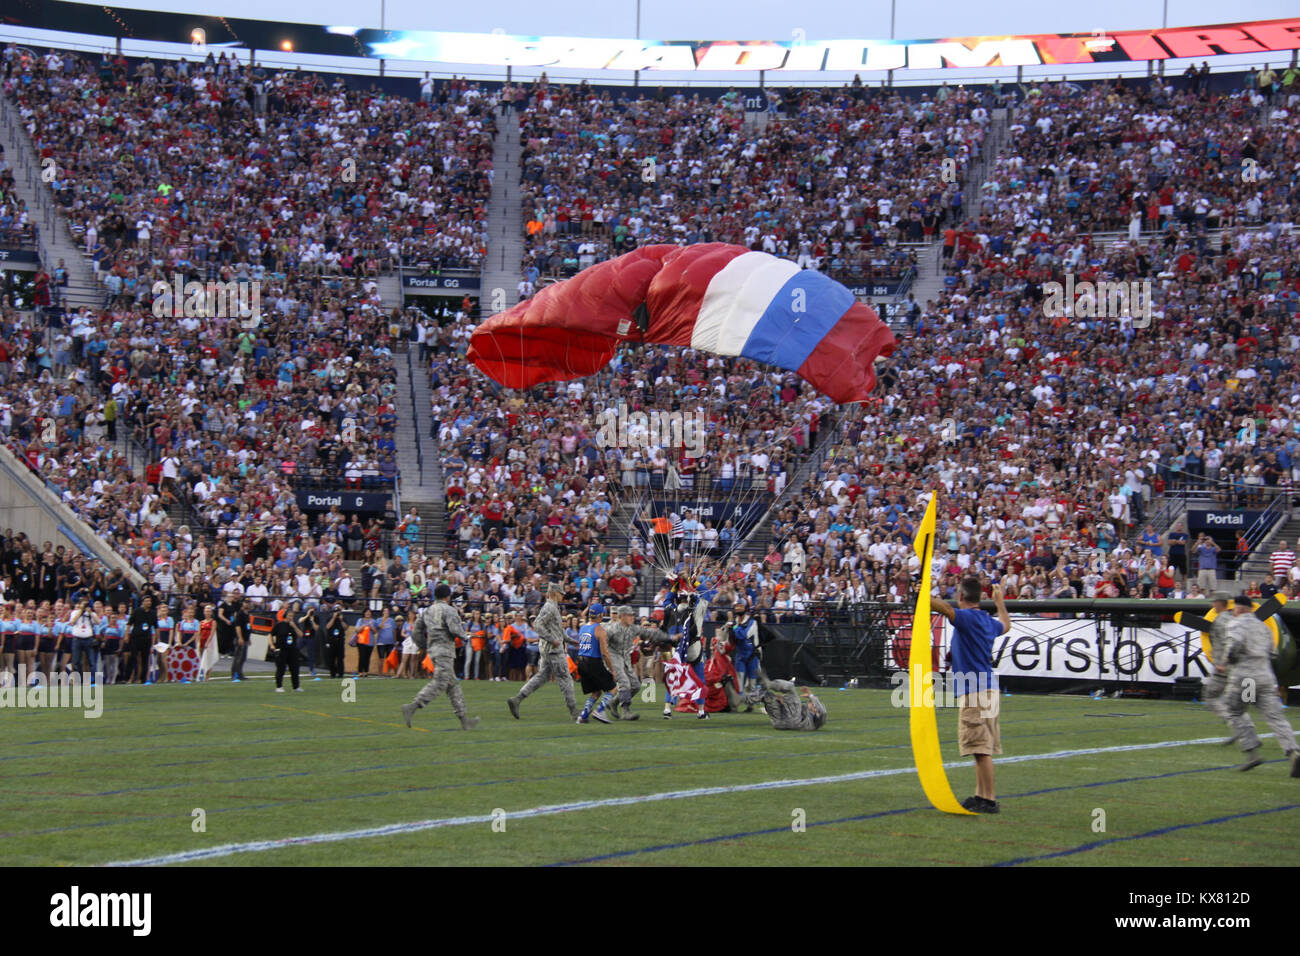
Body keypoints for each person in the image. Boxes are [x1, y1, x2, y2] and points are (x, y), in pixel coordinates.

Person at [931, 578, 1010, 814]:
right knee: (980, 749)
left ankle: (989, 800)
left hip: (975, 691)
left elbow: (944, 608)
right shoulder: (987, 620)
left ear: (962, 597)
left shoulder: (967, 618)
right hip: (988, 688)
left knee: (981, 749)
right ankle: (981, 795)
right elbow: (1006, 624)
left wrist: (923, 594)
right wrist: (1000, 602)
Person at [1222, 594, 1300, 774]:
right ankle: (1293, 752)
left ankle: (1252, 752)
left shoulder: (1236, 623)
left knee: (1235, 710)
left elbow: (1233, 646)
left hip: (1247, 678)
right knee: (1275, 717)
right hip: (1266, 677)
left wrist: (1228, 659)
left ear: (1239, 609)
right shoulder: (1263, 627)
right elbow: (1273, 654)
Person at [401, 584, 479, 730]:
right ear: (448, 596)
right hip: (445, 651)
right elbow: (455, 629)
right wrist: (466, 636)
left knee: (453, 685)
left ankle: (464, 719)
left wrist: (424, 645)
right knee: (440, 683)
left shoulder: (427, 611)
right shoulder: (449, 610)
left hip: (433, 650)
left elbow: (416, 631)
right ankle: (412, 706)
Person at [508, 585, 578, 719]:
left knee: (542, 677)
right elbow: (538, 624)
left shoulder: (553, 607)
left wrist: (570, 641)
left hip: (548, 650)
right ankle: (575, 712)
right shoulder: (550, 607)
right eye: (560, 593)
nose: (562, 596)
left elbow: (558, 630)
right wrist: (552, 639)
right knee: (565, 679)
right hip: (553, 651)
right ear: (554, 593)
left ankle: (517, 699)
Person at [602, 605, 664, 719]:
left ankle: (614, 702)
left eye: (632, 615)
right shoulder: (611, 629)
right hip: (614, 657)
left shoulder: (633, 628)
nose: (632, 617)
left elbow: (650, 633)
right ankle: (626, 711)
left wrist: (670, 637)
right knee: (624, 683)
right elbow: (602, 643)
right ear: (622, 616)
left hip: (625, 659)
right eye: (629, 615)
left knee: (635, 685)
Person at [573, 605, 618, 724]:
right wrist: (612, 670)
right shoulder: (600, 630)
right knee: (613, 688)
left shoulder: (582, 628)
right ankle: (600, 710)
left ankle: (583, 716)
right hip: (593, 661)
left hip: (581, 662)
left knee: (596, 691)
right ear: (601, 615)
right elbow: (605, 653)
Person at [1201, 592, 1235, 739]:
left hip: (1224, 667)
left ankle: (1234, 723)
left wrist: (1222, 662)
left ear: (1220, 603)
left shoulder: (1221, 621)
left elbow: (1229, 643)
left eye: (1214, 602)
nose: (1212, 604)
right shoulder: (1233, 618)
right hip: (1235, 666)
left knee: (1210, 696)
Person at [755, 673, 826, 730]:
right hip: (779, 724)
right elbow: (790, 710)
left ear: (815, 708)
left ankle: (770, 684)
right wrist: (781, 702)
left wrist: (811, 695)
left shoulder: (816, 719)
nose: (809, 703)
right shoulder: (805, 712)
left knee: (791, 687)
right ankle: (747, 697)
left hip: (790, 722)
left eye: (811, 703)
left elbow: (823, 712)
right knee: (769, 696)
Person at [269, 603, 304, 692]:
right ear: (286, 615)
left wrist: (294, 626)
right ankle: (279, 686)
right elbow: (270, 634)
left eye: (292, 616)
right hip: (282, 649)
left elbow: (301, 634)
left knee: (295, 669)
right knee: (281, 668)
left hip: (293, 649)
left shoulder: (294, 624)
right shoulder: (279, 625)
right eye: (289, 615)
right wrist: (272, 645)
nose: (291, 617)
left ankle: (296, 687)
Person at [228, 597, 250, 682]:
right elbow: (238, 626)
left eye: (248, 602)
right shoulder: (240, 613)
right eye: (245, 602)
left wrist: (248, 638)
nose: (247, 604)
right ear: (242, 603)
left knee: (243, 657)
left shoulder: (247, 613)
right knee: (238, 657)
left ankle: (240, 673)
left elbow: (248, 626)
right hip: (241, 638)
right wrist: (240, 637)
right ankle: (235, 674)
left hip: (246, 638)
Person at [324, 603, 347, 678]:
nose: (337, 613)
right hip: (331, 640)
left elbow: (345, 627)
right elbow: (327, 627)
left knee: (340, 658)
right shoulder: (329, 618)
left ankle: (340, 673)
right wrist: (333, 618)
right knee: (331, 658)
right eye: (336, 611)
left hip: (340, 640)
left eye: (338, 611)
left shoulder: (342, 619)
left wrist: (341, 620)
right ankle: (332, 673)